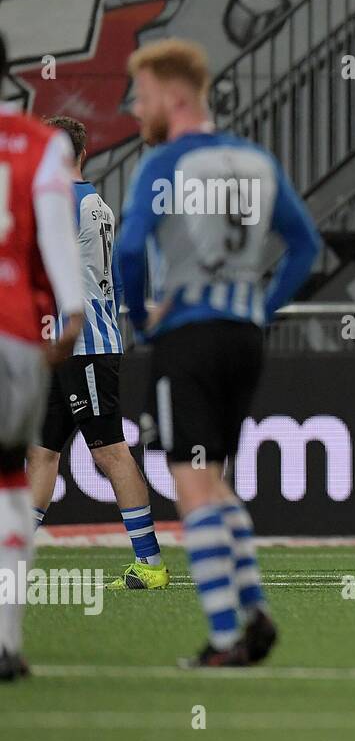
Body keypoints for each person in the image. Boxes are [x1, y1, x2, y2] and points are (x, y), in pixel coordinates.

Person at [116, 39, 322, 666]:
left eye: (144, 95)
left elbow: (128, 251)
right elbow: (305, 245)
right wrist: (261, 306)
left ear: (177, 95)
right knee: (217, 481)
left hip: (189, 336)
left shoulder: (166, 164)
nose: (136, 108)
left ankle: (227, 636)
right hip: (242, 336)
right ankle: (253, 612)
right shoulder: (256, 160)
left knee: (191, 484)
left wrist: (140, 316)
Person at [25, 115, 167, 591]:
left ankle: (150, 563)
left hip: (82, 347)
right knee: (42, 453)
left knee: (109, 453)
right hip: (79, 345)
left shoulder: (60, 202)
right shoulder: (98, 203)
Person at [0, 32, 85, 681]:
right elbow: (58, 241)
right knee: (9, 487)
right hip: (16, 333)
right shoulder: (42, 145)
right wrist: (73, 313)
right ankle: (5, 642)